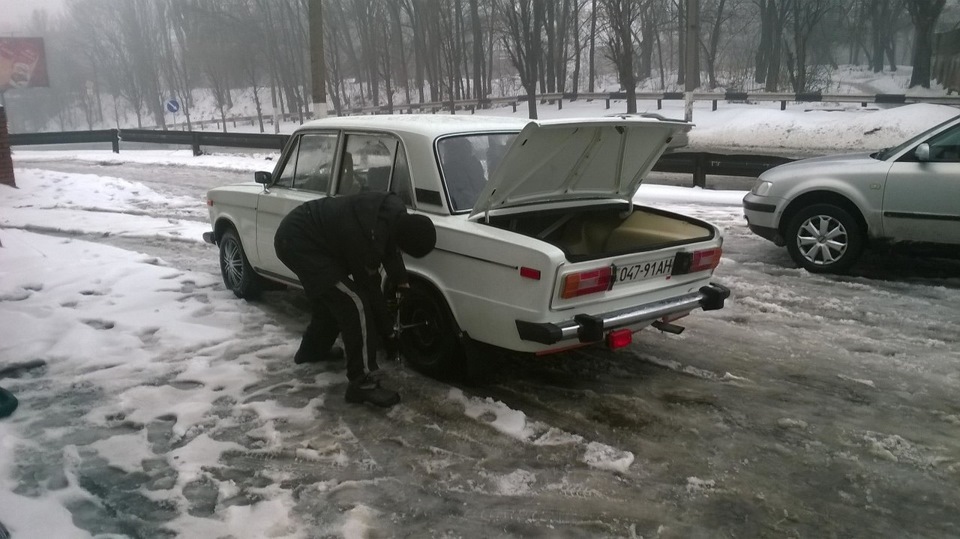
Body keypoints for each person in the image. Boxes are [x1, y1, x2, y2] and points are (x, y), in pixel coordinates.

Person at [274, 192, 437, 408]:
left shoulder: (393, 214)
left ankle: (312, 351)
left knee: (333, 300)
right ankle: (362, 382)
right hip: (298, 243)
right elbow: (369, 290)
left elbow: (390, 247)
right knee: (353, 303)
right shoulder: (364, 237)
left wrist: (401, 281)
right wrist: (388, 333)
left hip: (311, 237)